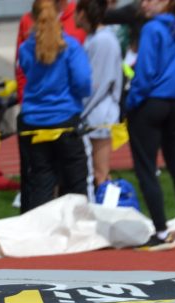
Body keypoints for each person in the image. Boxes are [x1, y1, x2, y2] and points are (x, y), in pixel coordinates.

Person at [125, 0, 175, 249]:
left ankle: (161, 231)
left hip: (151, 103)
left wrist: (131, 103)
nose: (144, 3)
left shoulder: (152, 29)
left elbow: (144, 73)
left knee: (146, 168)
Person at [16, 0, 91, 212]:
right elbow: (83, 83)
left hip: (33, 121)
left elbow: (27, 74)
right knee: (75, 180)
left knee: (41, 180)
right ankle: (77, 228)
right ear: (60, 14)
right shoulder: (70, 46)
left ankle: (41, 233)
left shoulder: (25, 49)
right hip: (65, 119)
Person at [75, 0, 123, 193]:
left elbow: (97, 84)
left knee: (100, 173)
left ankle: (106, 215)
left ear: (83, 14)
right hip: (95, 113)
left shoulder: (102, 40)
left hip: (99, 114)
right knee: (97, 172)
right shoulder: (94, 38)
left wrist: (79, 111)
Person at [15, 0, 86, 104]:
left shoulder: (80, 16)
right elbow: (20, 70)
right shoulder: (27, 20)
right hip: (35, 110)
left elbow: (83, 76)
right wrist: (23, 101)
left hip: (69, 110)